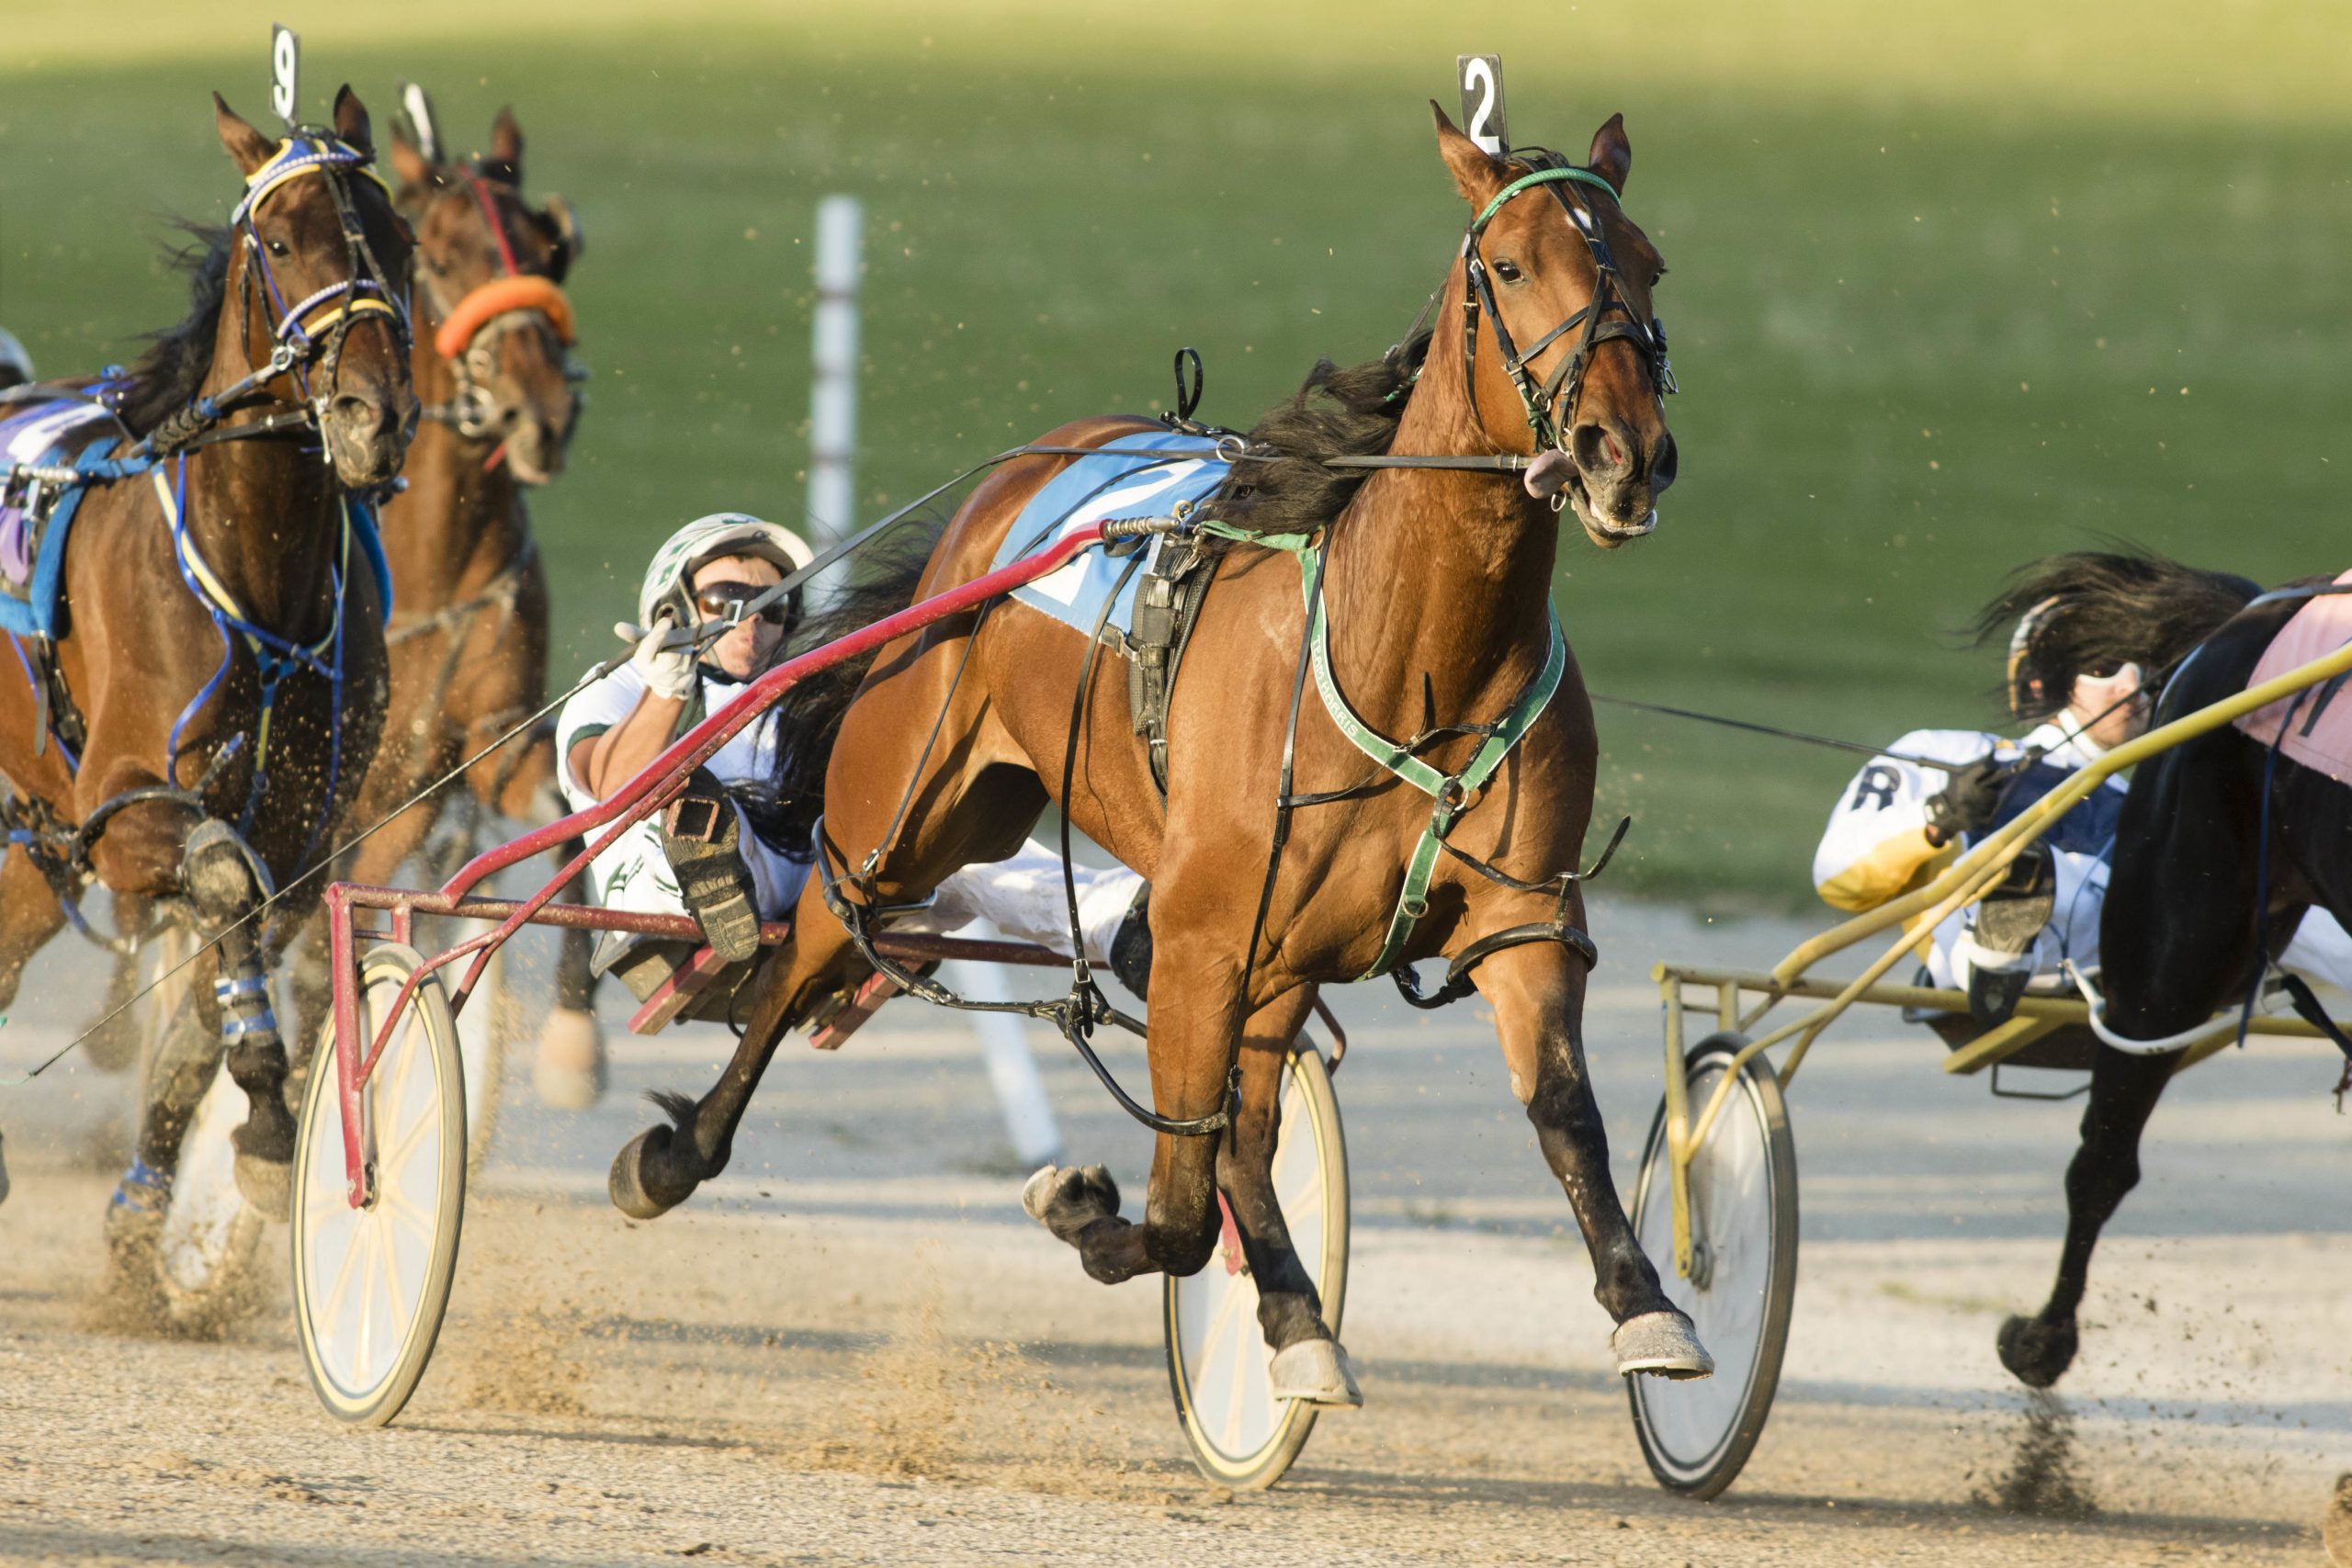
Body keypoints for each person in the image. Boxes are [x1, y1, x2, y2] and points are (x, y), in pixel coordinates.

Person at [556, 513, 1154, 1007]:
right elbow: (607, 791)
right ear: (673, 605)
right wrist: (667, 694)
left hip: (813, 888)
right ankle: (718, 876)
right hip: (670, 881)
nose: (752, 622)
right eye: (725, 600)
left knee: (940, 824)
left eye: (773, 605)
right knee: (694, 801)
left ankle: (1123, 917)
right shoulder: (621, 686)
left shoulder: (794, 701)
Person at [1815, 572, 2350, 1026]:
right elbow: (1836, 877)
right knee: (2014, 868)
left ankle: (2008, 946)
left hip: (2138, 958)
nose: (2132, 686)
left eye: (2144, 669)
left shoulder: (2170, 797)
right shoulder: (1943, 752)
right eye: (2104, 668)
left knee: (2266, 887)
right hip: (1977, 958)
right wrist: (1939, 820)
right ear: (2039, 685)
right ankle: (1998, 951)